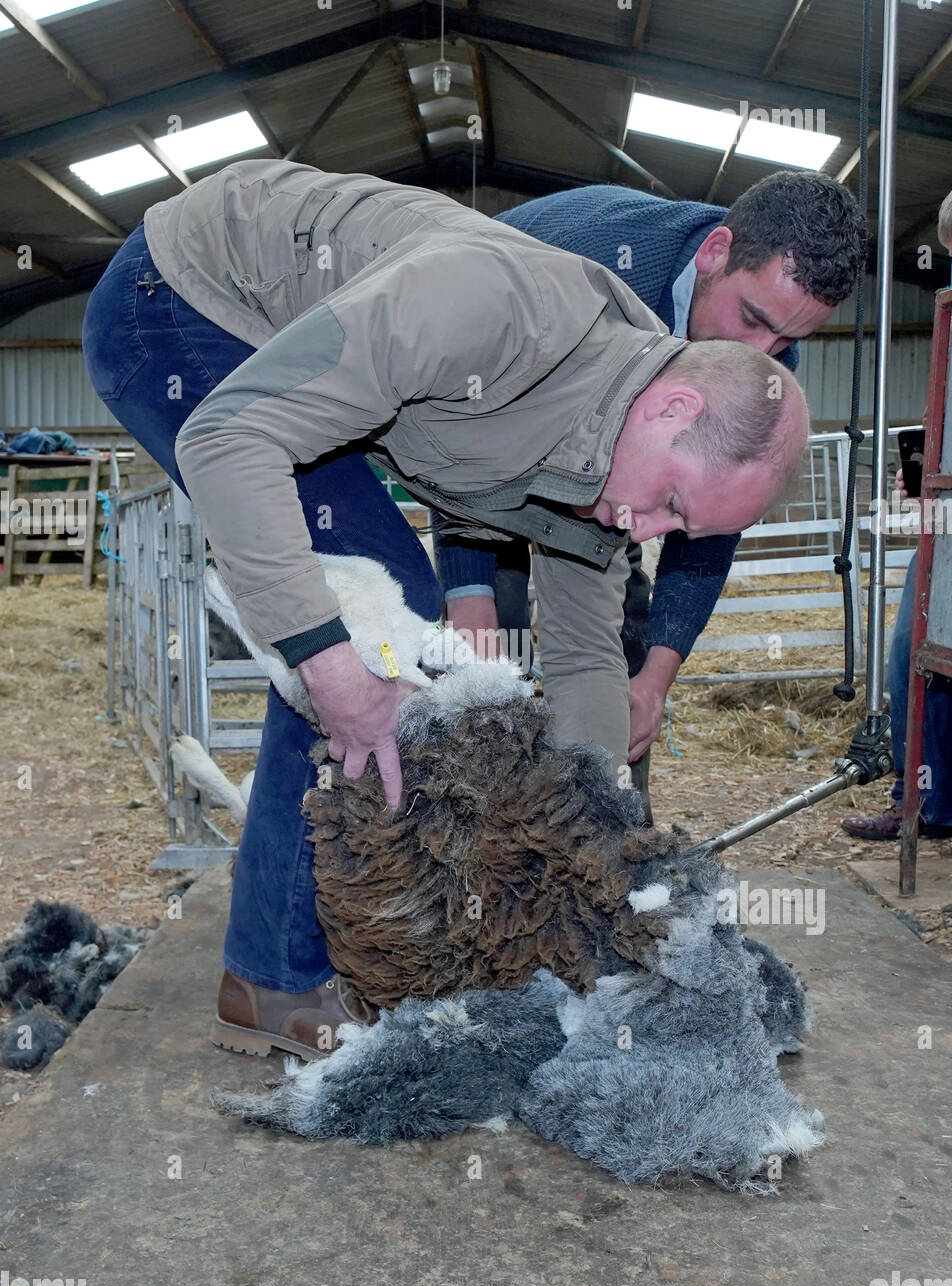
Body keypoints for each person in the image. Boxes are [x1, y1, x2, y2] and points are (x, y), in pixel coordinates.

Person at [83, 159, 809, 1059]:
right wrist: (330, 660)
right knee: (379, 609)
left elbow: (585, 659)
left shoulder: (611, 463)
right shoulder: (488, 308)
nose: (648, 529)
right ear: (673, 406)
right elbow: (231, 438)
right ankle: (266, 979)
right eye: (669, 503)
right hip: (179, 299)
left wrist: (588, 857)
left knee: (387, 616)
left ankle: (308, 938)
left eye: (675, 526)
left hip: (268, 341)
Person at [436, 173, 866, 815]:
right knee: (484, 651)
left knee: (617, 652)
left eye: (786, 342)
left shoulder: (764, 366)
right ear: (715, 252)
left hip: (609, 484)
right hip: (488, 426)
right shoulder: (592, 277)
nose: (760, 351)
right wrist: (467, 601)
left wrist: (654, 680)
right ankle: (481, 839)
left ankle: (609, 846)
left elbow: (713, 524)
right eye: (751, 319)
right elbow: (463, 421)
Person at [843, 191, 952, 841]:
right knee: (918, 657)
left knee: (919, 655)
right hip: (946, 520)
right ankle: (926, 800)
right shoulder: (948, 313)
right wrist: (923, 462)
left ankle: (926, 801)